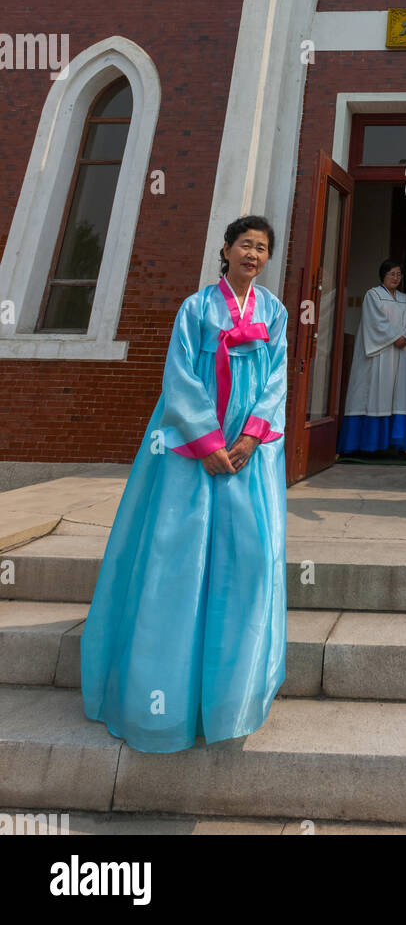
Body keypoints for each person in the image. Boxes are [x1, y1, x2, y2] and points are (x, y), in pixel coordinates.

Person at [81, 215, 288, 753]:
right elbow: (179, 376)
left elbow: (277, 380)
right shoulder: (196, 309)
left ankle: (231, 699)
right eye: (245, 245)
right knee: (178, 557)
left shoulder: (275, 312)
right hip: (190, 444)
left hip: (252, 447)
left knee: (252, 559)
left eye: (262, 248)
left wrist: (249, 438)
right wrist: (207, 440)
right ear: (225, 249)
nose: (253, 255)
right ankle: (165, 702)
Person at [337, 259, 406, 460]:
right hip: (379, 354)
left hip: (399, 355)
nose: (395, 278)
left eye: (399, 274)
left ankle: (404, 445)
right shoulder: (373, 295)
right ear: (383, 275)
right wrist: (395, 336)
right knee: (372, 395)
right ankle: (365, 443)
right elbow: (375, 321)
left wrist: (405, 338)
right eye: (392, 273)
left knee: (399, 397)